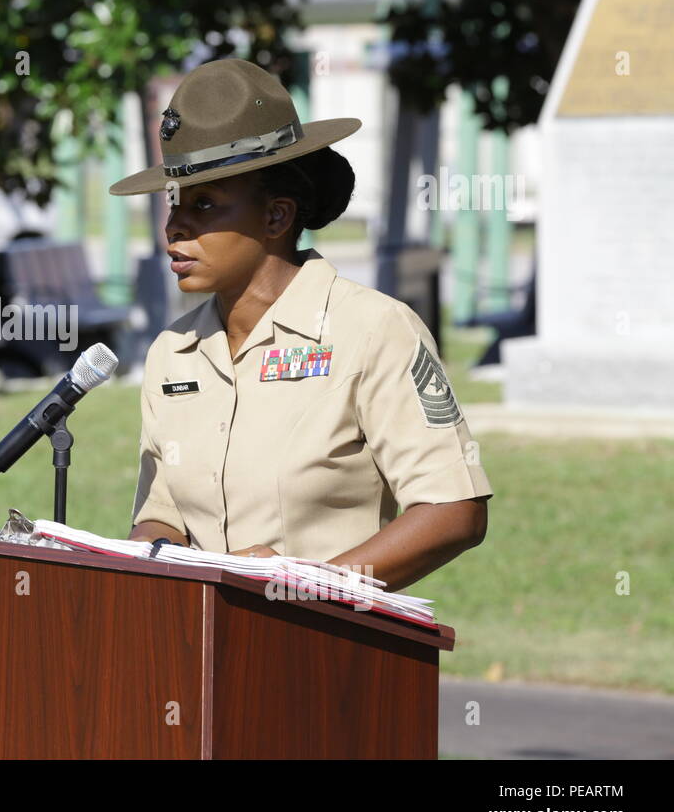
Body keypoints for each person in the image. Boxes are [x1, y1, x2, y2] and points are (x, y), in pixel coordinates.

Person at [110, 58, 491, 592]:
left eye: (204, 204)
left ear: (276, 217)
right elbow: (162, 516)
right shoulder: (172, 352)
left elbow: (454, 510)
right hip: (200, 650)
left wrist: (303, 587)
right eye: (174, 202)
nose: (175, 226)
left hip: (324, 650)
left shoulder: (374, 330)